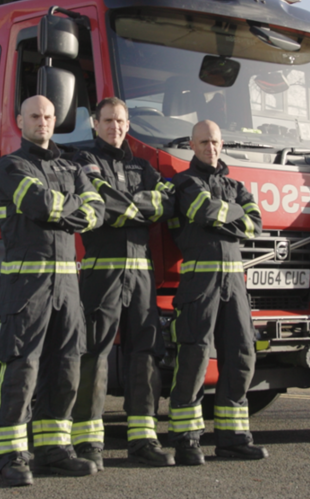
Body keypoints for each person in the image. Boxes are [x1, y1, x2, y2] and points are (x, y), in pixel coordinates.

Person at [0, 95, 105, 486]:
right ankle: (12, 456)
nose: (42, 122)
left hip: (67, 286)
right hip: (27, 285)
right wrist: (72, 207)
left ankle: (54, 450)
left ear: (56, 121)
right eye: (35, 116)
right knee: (22, 367)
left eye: (48, 116)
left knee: (67, 365)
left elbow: (97, 211)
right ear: (19, 119)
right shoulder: (11, 166)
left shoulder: (70, 165)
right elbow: (37, 203)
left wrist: (69, 208)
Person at [71, 98, 176, 469]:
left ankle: (143, 440)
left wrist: (127, 208)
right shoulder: (85, 161)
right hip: (102, 272)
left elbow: (166, 202)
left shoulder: (143, 166)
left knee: (146, 352)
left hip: (141, 274)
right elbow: (99, 200)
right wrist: (140, 209)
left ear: (128, 124)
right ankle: (87, 443)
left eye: (120, 120)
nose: (115, 126)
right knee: (94, 353)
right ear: (94, 124)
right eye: (108, 120)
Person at [166, 119, 266, 464]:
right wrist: (233, 216)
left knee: (241, 356)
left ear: (222, 145)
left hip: (235, 284)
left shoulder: (235, 184)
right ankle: (185, 439)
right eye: (204, 142)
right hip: (199, 283)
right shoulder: (184, 183)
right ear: (192, 146)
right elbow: (203, 210)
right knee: (193, 358)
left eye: (215, 142)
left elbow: (256, 223)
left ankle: (233, 438)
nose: (210, 147)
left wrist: (227, 215)